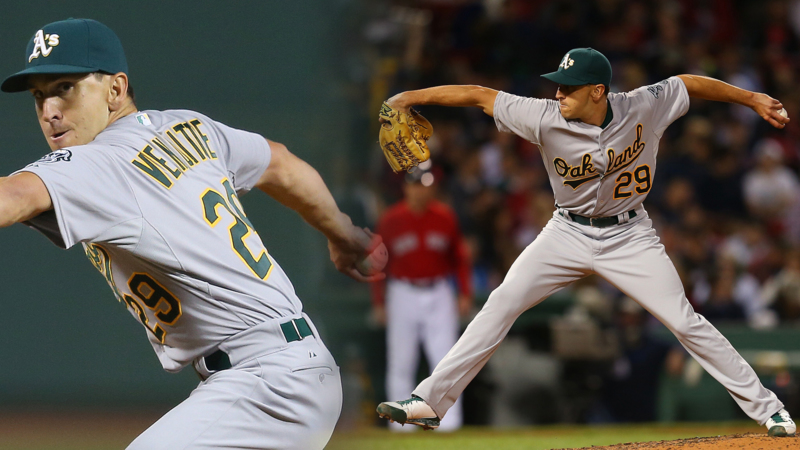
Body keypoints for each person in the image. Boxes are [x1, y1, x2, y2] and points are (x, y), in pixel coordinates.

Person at [0, 18, 382, 450]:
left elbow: (10, 196)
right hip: (290, 371)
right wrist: (344, 234)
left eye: (65, 87)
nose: (49, 109)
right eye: (39, 95)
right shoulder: (189, 127)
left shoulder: (98, 162)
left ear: (116, 89)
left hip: (266, 385)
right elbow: (280, 163)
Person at [376, 48, 796, 437]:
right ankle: (429, 401)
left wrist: (752, 98)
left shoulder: (642, 104)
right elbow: (477, 95)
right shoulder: (542, 115)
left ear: (598, 91)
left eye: (567, 87)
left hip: (630, 235)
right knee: (502, 302)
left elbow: (690, 82)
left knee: (685, 322)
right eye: (557, 84)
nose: (557, 92)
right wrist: (408, 97)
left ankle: (769, 409)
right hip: (566, 232)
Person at [372, 167, 472, 431]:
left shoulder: (444, 216)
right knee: (401, 360)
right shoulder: (391, 219)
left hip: (439, 291)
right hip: (402, 292)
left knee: (446, 361)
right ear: (406, 187)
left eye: (426, 185)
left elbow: (459, 259)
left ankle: (450, 424)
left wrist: (464, 292)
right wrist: (379, 302)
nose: (420, 190)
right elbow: (378, 265)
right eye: (416, 185)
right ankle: (399, 426)